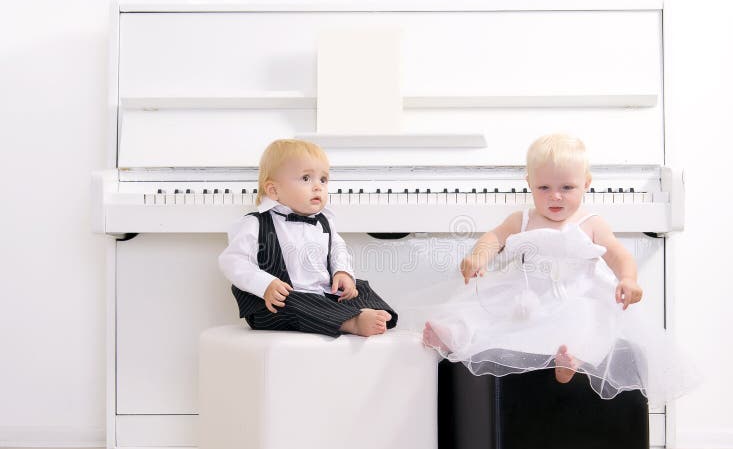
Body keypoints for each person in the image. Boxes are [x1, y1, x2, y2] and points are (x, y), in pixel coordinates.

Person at [420, 133, 698, 405]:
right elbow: (494, 238)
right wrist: (479, 257)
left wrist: (628, 279)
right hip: (527, 294)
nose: (555, 196)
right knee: (484, 309)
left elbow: (617, 254)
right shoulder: (522, 219)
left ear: (586, 183)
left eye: (567, 188)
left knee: (586, 319)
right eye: (544, 188)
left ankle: (572, 361)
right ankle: (452, 337)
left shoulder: (591, 223)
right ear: (530, 184)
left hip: (577, 293)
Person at [219, 139, 397, 337]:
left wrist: (343, 272)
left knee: (359, 287)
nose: (317, 187)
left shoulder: (324, 222)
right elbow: (233, 261)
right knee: (292, 302)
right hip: (275, 305)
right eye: (306, 178)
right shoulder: (255, 223)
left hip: (320, 296)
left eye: (323, 180)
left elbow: (338, 249)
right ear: (273, 190)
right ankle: (351, 321)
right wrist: (265, 284)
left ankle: (355, 311)